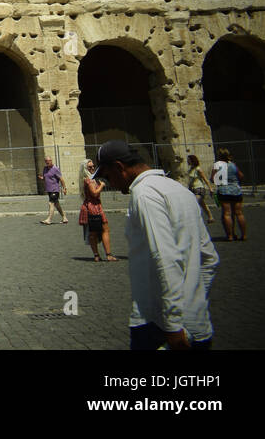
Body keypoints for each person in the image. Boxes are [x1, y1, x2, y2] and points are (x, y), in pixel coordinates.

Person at [93, 140, 219, 349]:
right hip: (198, 325)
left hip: (158, 326)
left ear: (119, 167)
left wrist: (173, 324)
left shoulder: (144, 195)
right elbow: (210, 259)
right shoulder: (179, 190)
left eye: (107, 176)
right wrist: (191, 302)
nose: (110, 183)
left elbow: (165, 259)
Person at [79, 160, 116, 261]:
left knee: (94, 232)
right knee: (103, 230)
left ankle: (97, 255)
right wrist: (102, 186)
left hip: (93, 206)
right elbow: (94, 193)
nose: (92, 168)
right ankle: (107, 254)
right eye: (89, 167)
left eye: (93, 166)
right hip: (93, 207)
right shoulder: (89, 180)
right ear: (85, 169)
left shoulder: (89, 179)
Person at [211, 148, 246, 241]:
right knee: (239, 213)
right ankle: (244, 235)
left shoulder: (217, 165)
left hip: (224, 190)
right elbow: (241, 175)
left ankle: (230, 235)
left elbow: (213, 178)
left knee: (227, 213)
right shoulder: (233, 165)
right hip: (236, 190)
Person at [184, 155, 214, 225]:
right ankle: (210, 217)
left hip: (199, 188)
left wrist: (210, 188)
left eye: (189, 160)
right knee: (202, 204)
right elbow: (190, 181)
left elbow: (205, 179)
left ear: (192, 160)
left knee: (195, 203)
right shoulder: (190, 169)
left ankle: (197, 219)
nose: (187, 161)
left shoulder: (198, 169)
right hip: (192, 189)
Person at [39, 156, 68, 224]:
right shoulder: (45, 169)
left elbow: (61, 179)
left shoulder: (55, 169)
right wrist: (42, 178)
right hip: (49, 190)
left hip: (55, 190)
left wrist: (64, 188)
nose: (47, 162)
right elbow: (46, 178)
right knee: (57, 204)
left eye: (49, 160)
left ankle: (49, 219)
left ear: (51, 161)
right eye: (46, 161)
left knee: (51, 203)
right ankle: (64, 218)